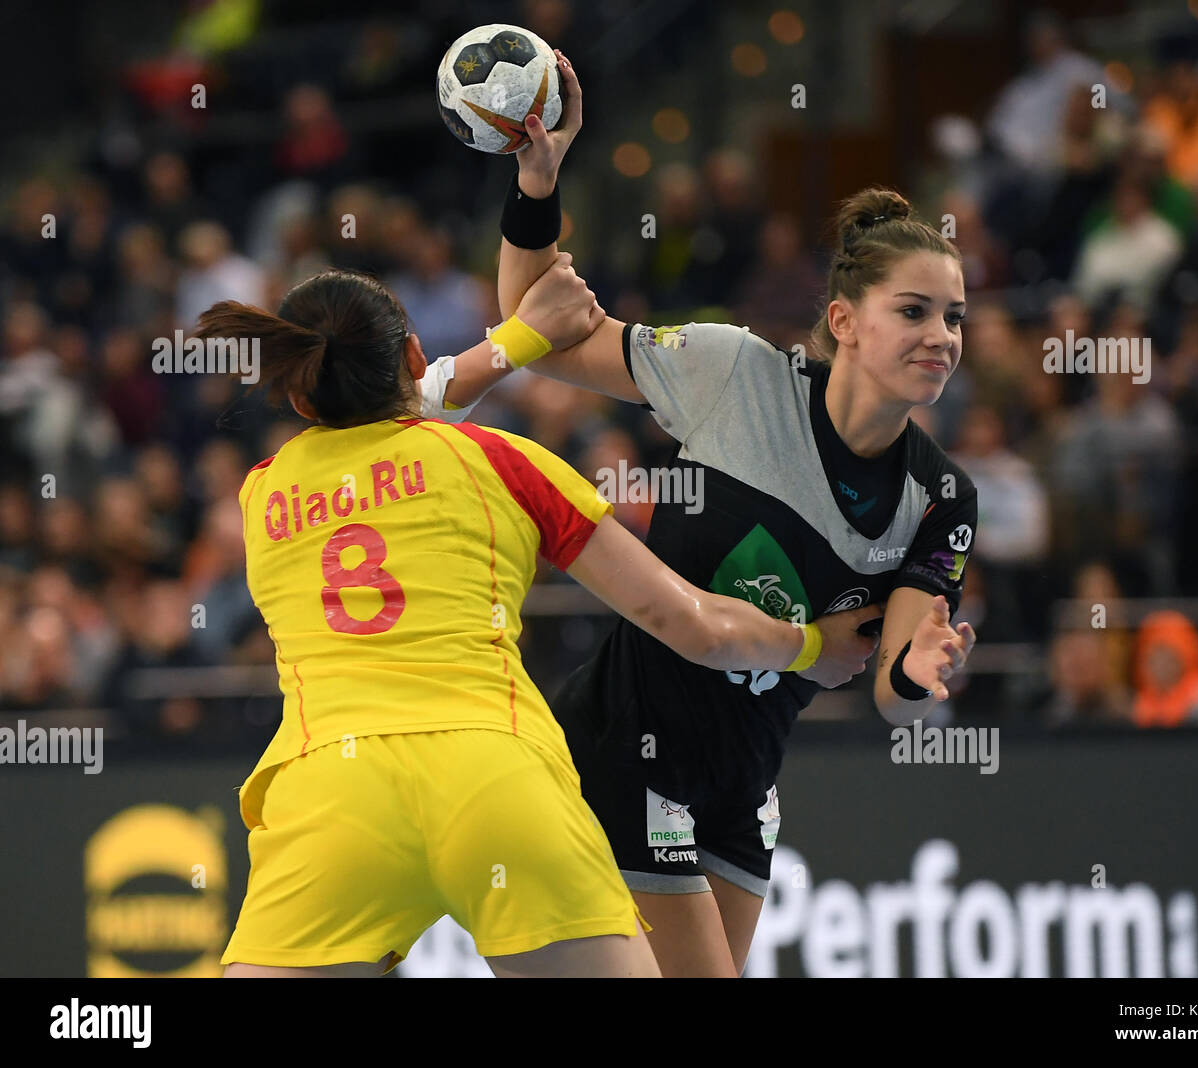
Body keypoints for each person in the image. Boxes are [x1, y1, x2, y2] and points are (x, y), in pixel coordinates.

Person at [430, 53, 980, 977]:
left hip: (744, 784)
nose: (941, 337)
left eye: (956, 318)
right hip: (629, 741)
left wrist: (923, 674)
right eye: (915, 311)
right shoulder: (733, 370)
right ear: (843, 322)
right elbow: (539, 321)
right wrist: (537, 182)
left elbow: (890, 687)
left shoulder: (942, 498)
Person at [204, 261, 879, 978]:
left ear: (302, 398)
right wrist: (810, 646)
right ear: (408, 353)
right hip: (494, 781)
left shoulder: (259, 497)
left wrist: (519, 340)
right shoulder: (502, 464)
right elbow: (694, 626)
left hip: (332, 802)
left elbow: (390, 427)